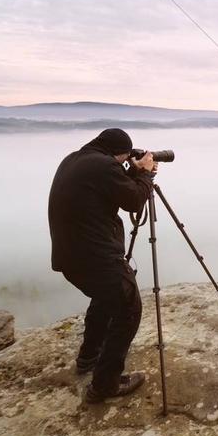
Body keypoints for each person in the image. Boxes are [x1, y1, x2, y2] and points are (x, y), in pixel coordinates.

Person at [48, 128, 156, 403]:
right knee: (129, 308)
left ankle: (88, 357)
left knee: (108, 298)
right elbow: (132, 200)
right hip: (96, 257)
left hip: (71, 258)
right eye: (123, 161)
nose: (122, 165)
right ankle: (104, 385)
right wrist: (144, 173)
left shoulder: (77, 159)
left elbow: (109, 189)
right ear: (119, 154)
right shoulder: (106, 165)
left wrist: (131, 173)